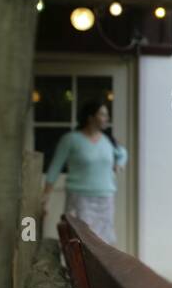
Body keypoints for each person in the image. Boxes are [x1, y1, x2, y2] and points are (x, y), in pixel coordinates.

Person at [43, 100, 127, 244]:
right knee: (79, 241)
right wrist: (45, 197)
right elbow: (55, 168)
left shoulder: (108, 141)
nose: (106, 118)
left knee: (104, 243)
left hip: (105, 199)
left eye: (107, 115)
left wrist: (119, 164)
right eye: (102, 114)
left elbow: (123, 153)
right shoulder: (71, 140)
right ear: (90, 117)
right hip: (79, 199)